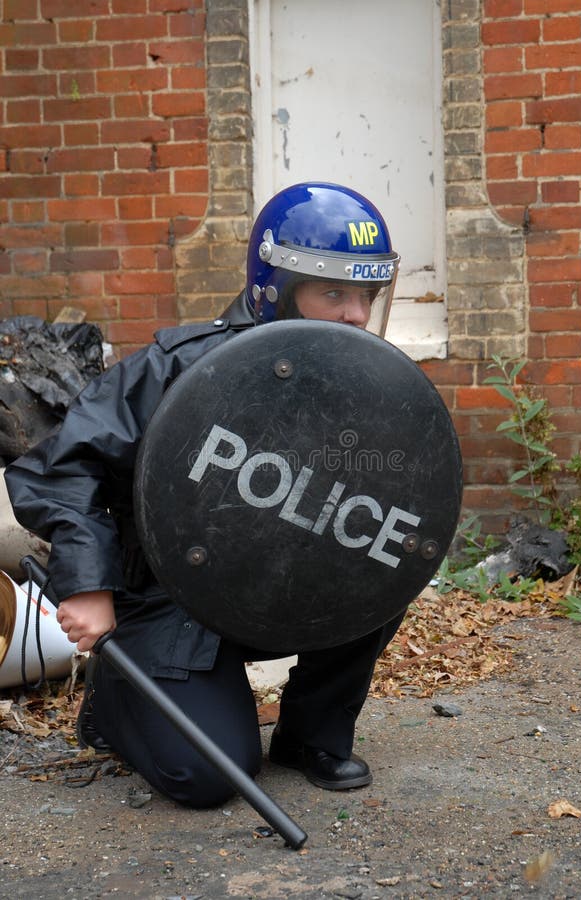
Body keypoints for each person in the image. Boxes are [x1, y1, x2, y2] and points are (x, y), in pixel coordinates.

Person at [5, 182, 407, 808]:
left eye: (366, 295)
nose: (356, 315)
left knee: (380, 560)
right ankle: (117, 698)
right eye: (334, 292)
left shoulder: (365, 387)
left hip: (276, 585)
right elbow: (59, 469)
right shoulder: (178, 368)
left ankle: (311, 736)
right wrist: (89, 584)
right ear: (275, 286)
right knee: (208, 778)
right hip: (174, 600)